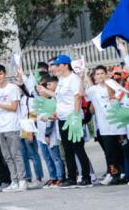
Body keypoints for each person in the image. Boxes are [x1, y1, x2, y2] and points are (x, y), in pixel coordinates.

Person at [37, 54, 93, 188]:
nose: (56, 67)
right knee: (67, 149)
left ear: (65, 65)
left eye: (58, 65)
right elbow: (58, 95)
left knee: (78, 148)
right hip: (62, 118)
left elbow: (77, 98)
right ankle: (72, 178)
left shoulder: (74, 79)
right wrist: (45, 90)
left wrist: (75, 116)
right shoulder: (61, 79)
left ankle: (86, 177)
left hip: (72, 118)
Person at [0, 65, 28, 191]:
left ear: (4, 74)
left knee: (16, 154)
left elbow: (13, 107)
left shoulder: (12, 88)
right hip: (0, 127)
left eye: (0, 74)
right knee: (7, 156)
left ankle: (22, 181)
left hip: (12, 125)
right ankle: (14, 181)